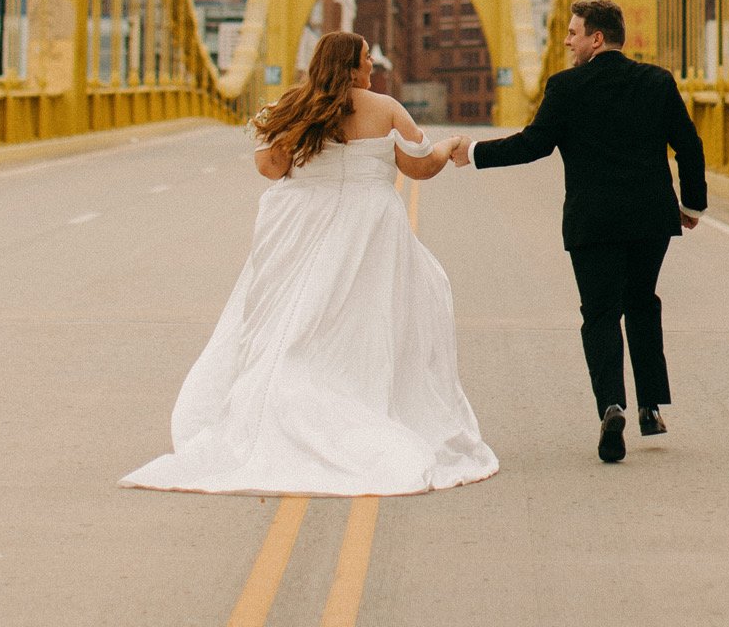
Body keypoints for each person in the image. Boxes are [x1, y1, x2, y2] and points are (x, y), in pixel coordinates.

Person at [122, 31, 498, 496]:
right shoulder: (385, 108)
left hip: (301, 223)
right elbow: (419, 167)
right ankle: (354, 404)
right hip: (368, 228)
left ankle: (277, 402)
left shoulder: (293, 105)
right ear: (351, 65)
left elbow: (270, 168)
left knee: (290, 319)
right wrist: (449, 146)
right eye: (366, 60)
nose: (373, 69)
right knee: (363, 321)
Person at [451, 0, 706, 465]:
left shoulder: (566, 87)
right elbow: (688, 144)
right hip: (651, 218)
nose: (566, 41)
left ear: (596, 38)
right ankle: (651, 406)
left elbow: (533, 145)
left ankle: (611, 405)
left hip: (593, 222)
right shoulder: (657, 81)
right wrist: (692, 204)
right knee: (643, 301)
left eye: (572, 33)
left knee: (601, 314)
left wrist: (474, 153)